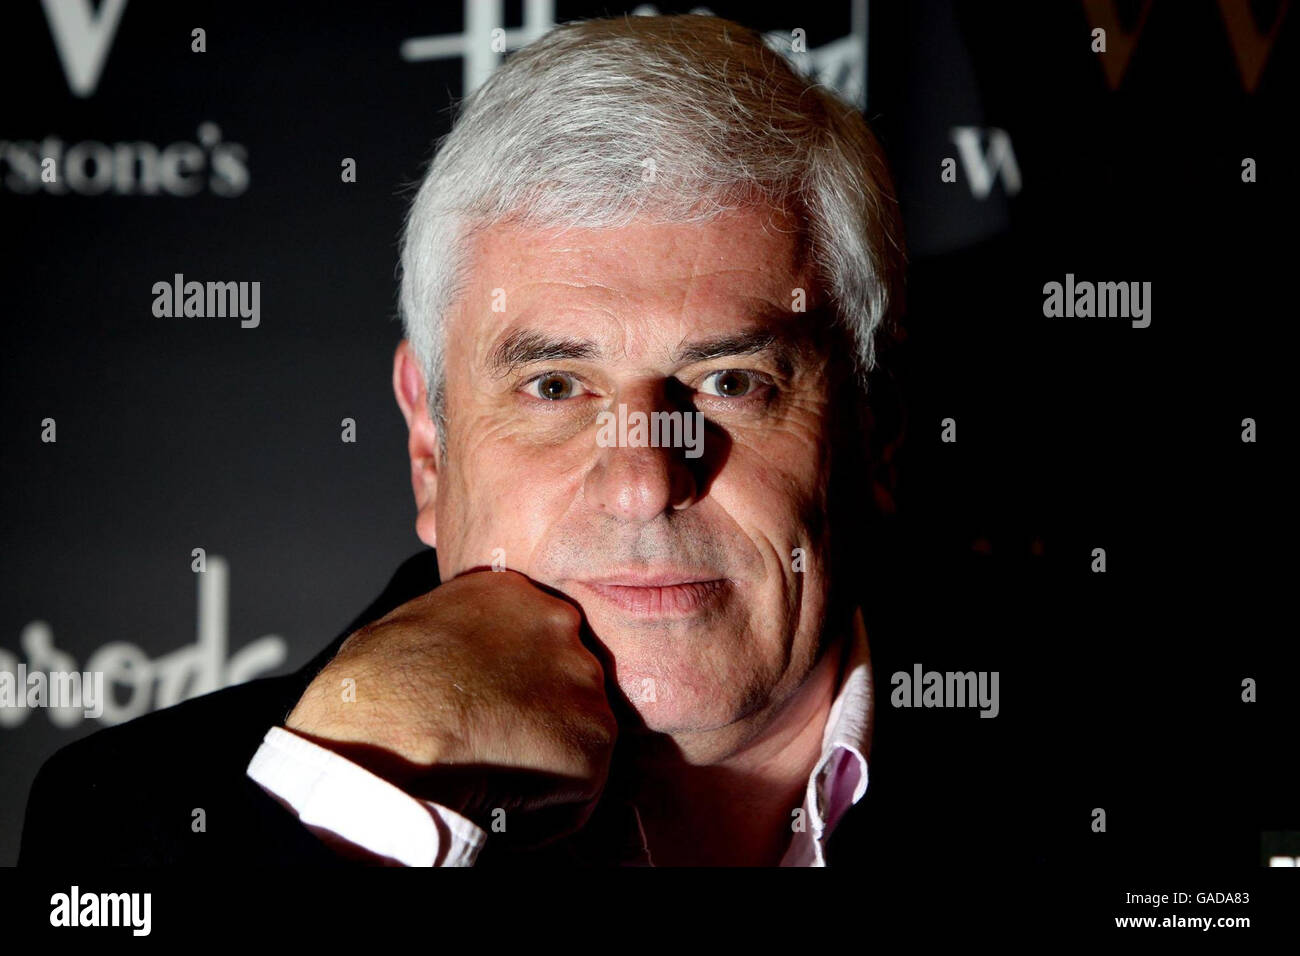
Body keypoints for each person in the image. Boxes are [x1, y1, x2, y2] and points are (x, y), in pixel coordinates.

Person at [19, 12, 907, 867]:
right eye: (555, 386)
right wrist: (360, 810)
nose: (644, 481)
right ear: (428, 443)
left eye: (730, 383)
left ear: (873, 427)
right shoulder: (134, 825)